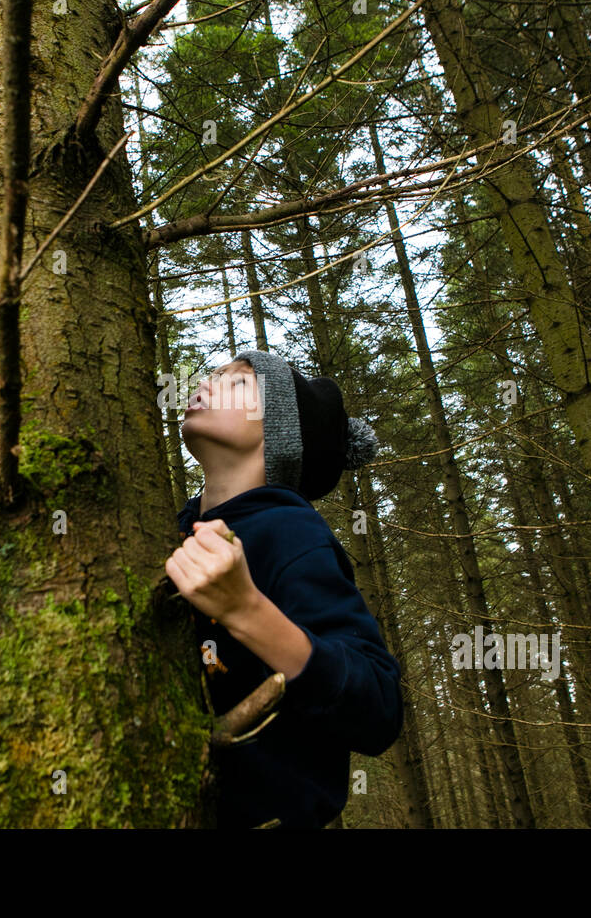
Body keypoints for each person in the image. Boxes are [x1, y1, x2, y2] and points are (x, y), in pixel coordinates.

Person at [167, 349, 403, 828]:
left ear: (278, 430)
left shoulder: (291, 532)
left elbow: (378, 707)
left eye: (236, 383)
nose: (205, 384)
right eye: (212, 375)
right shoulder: (170, 530)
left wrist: (246, 609)